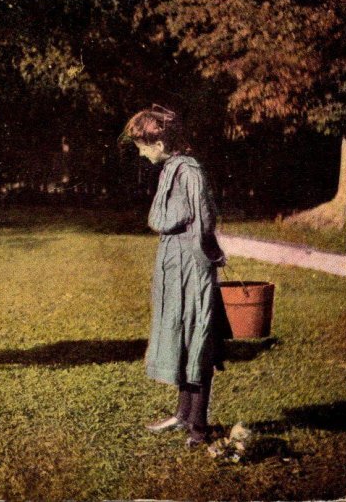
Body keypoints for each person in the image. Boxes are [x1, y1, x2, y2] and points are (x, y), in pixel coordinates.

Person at [120, 105, 231, 447]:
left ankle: (198, 426)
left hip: (192, 266)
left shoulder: (189, 170)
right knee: (179, 337)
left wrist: (205, 258)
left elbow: (204, 221)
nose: (139, 151)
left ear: (159, 141)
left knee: (197, 341)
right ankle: (182, 415)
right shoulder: (171, 168)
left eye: (142, 144)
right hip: (173, 263)